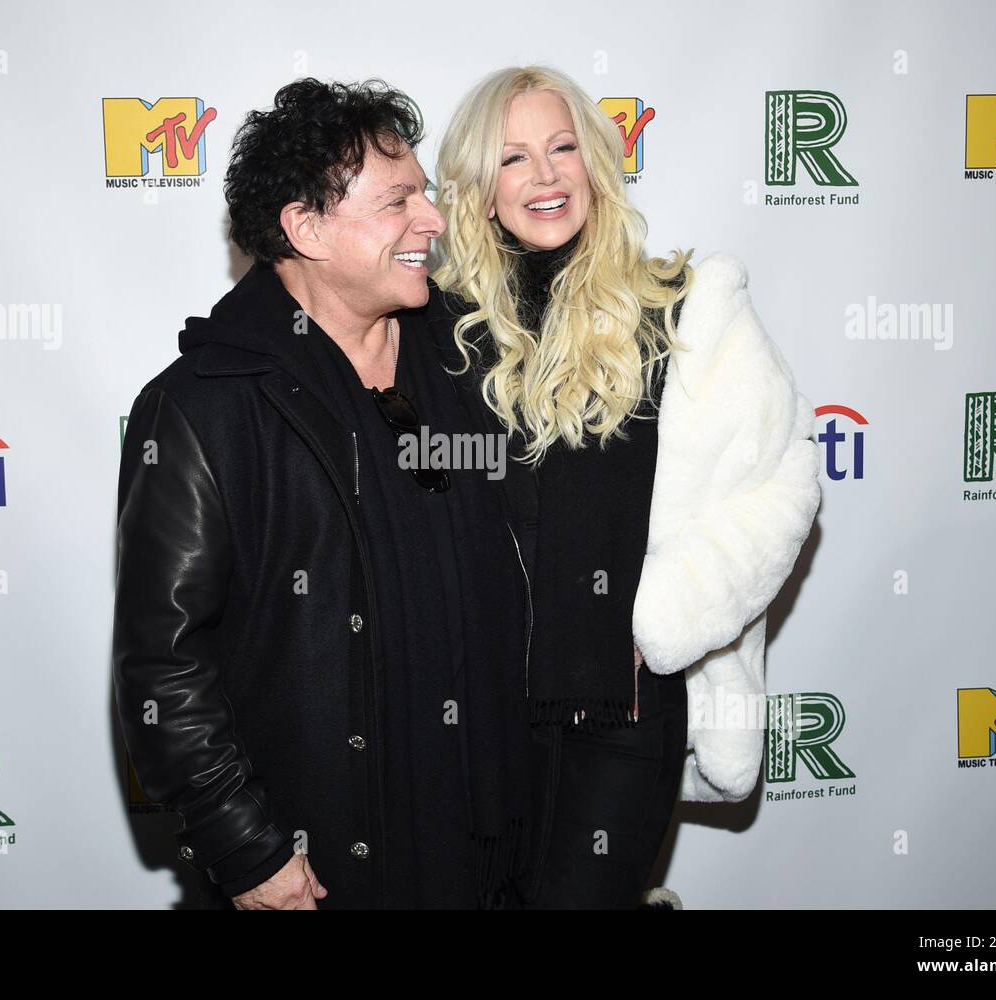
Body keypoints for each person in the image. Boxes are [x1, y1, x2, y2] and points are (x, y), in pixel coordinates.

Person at [112, 77, 533, 910]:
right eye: (397, 202)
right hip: (320, 868)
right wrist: (246, 850)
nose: (434, 221)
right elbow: (165, 666)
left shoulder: (471, 365)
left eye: (427, 194)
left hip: (493, 848)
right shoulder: (203, 407)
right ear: (305, 229)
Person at [427, 65, 822, 908]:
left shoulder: (683, 310)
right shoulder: (438, 329)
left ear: (596, 162)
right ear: (476, 187)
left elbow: (783, 484)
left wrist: (671, 611)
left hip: (624, 712)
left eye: (563, 147)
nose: (545, 174)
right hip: (476, 721)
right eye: (514, 157)